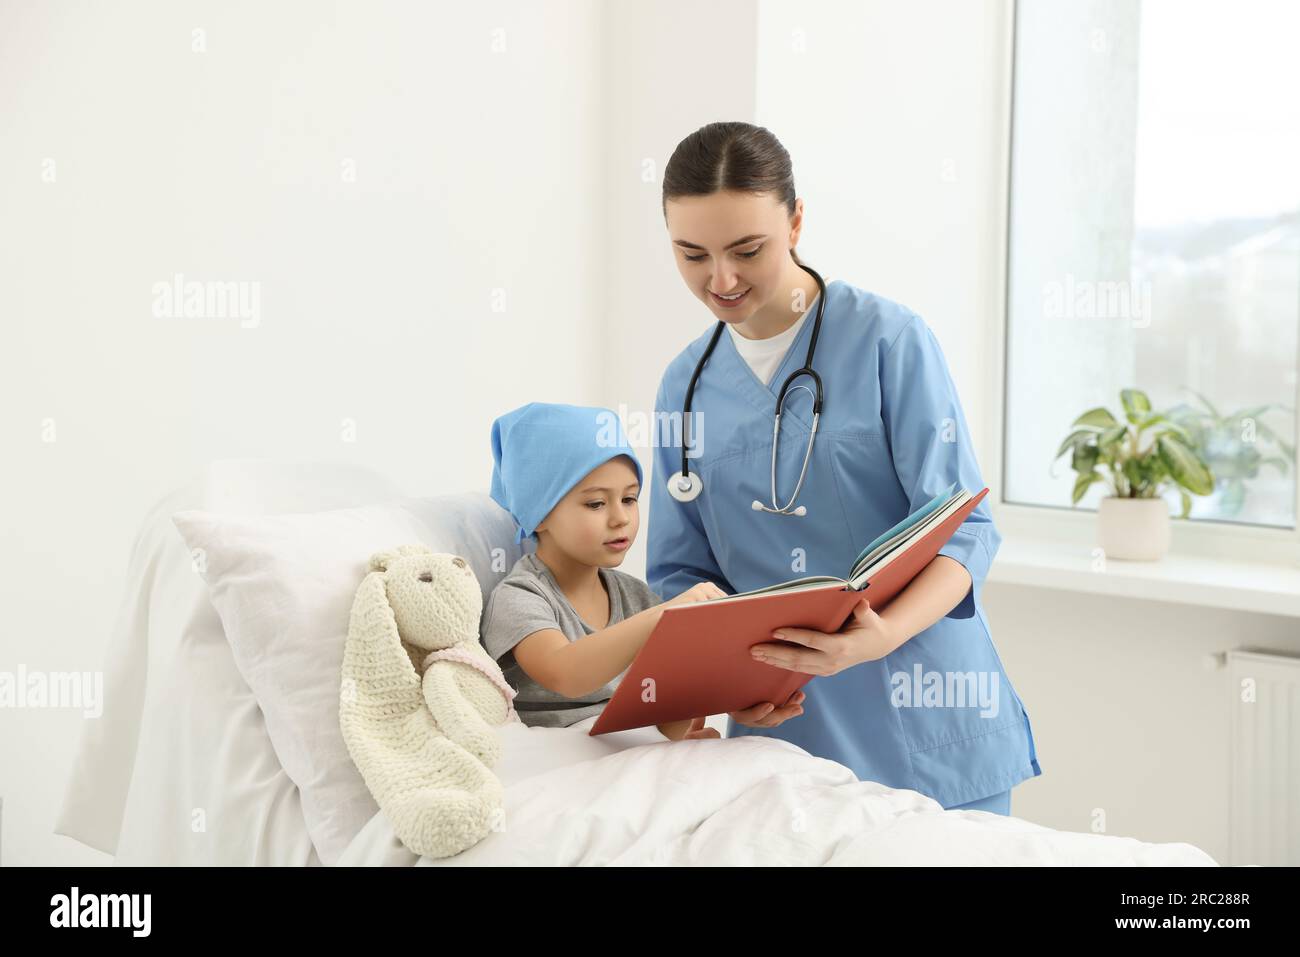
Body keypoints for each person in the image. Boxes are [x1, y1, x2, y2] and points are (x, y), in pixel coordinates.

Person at [647, 122, 1041, 814]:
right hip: (790, 729)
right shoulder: (683, 386)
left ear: (796, 221)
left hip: (925, 703)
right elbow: (682, 577)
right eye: (692, 254)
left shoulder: (889, 340)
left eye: (747, 249)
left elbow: (966, 528)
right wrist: (724, 685)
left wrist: (882, 633)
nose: (722, 279)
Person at [480, 402, 730, 740]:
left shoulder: (636, 596)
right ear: (537, 515)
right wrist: (663, 616)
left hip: (623, 749)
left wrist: (701, 710)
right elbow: (565, 673)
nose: (620, 518)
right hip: (560, 759)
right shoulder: (520, 597)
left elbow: (661, 713)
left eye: (629, 499)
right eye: (596, 503)